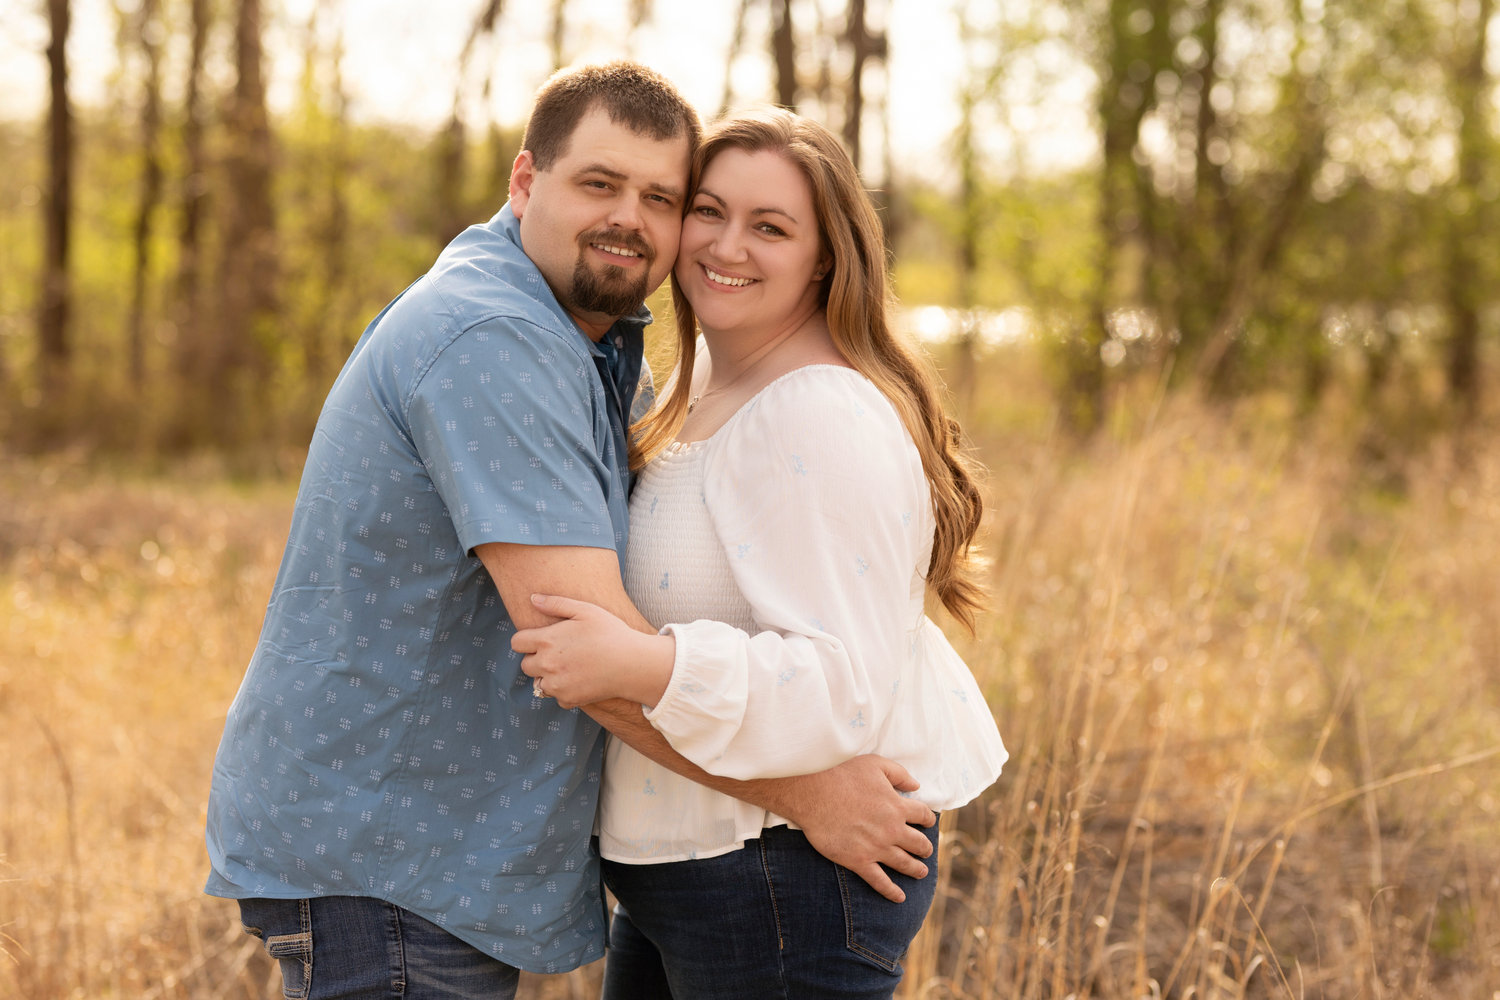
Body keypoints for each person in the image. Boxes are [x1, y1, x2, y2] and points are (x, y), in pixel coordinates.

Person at [204, 66, 932, 1000]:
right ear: (525, 181)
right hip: (389, 850)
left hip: (428, 851)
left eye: (660, 197)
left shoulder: (597, 347)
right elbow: (587, 646)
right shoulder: (495, 340)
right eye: (599, 183)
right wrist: (808, 796)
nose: (629, 217)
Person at [512, 108, 1008, 999]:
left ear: (824, 256)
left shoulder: (816, 411)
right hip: (699, 873)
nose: (726, 246)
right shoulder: (708, 383)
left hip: (779, 882)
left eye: (769, 227)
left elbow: (838, 688)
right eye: (708, 210)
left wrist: (646, 665)